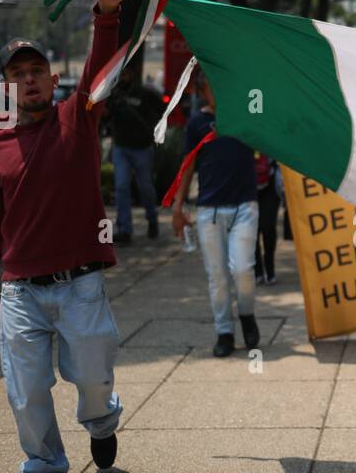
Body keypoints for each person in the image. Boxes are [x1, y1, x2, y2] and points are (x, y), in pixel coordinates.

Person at [0, 0, 131, 473]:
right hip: (20, 292)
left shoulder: (77, 118)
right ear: (7, 87)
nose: (29, 79)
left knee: (90, 377)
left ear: (52, 78)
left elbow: (100, 71)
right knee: (27, 392)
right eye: (18, 74)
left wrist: (105, 12)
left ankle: (103, 419)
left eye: (37, 70)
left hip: (79, 284)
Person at [170, 67, 261, 357]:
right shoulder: (197, 123)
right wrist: (178, 207)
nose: (218, 89)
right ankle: (224, 331)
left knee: (242, 269)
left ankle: (246, 314)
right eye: (211, 84)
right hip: (209, 211)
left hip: (245, 206)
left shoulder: (248, 115)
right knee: (217, 276)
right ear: (202, 90)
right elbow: (187, 167)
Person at [108, 64, 162, 244]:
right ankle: (124, 230)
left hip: (142, 148)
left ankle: (152, 219)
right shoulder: (113, 94)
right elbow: (105, 116)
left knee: (145, 187)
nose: (122, 77)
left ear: (131, 74)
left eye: (125, 73)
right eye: (119, 73)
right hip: (121, 147)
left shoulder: (144, 94)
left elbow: (162, 110)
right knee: (121, 187)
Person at [254, 152, 281, 284]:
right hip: (247, 186)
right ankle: (258, 271)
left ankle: (270, 270)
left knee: (268, 227)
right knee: (253, 230)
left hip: (270, 186)